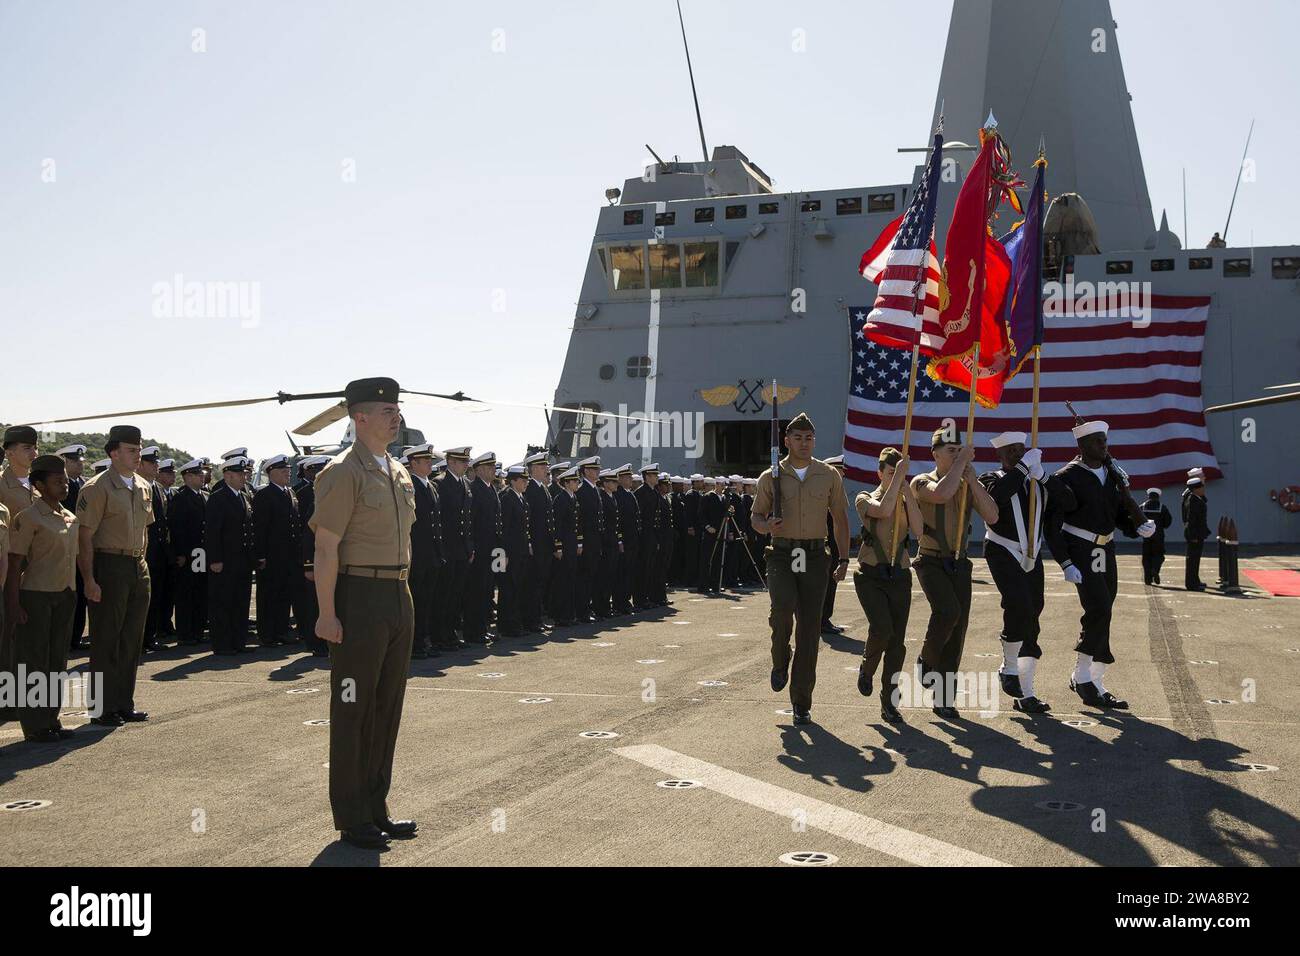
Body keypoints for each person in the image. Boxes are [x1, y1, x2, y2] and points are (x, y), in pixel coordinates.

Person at [309, 377, 419, 850]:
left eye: (396, 408)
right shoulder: (342, 472)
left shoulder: (397, 470)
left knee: (387, 706)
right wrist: (326, 614)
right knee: (354, 708)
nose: (396, 416)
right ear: (359, 418)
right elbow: (326, 547)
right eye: (386, 409)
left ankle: (377, 806)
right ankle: (352, 816)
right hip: (358, 596)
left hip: (397, 594)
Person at [1046, 420, 1156, 710]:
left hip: (1106, 547)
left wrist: (1137, 527)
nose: (1103, 446)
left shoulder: (1110, 473)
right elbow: (1052, 524)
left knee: (1106, 607)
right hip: (1081, 548)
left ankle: (1093, 678)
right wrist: (1066, 562)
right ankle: (1083, 677)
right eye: (1096, 441)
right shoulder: (1066, 477)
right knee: (1099, 608)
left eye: (1104, 440)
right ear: (1081, 446)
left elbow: (1117, 513)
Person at [750, 412, 849, 726]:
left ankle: (801, 702)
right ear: (786, 441)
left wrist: (844, 558)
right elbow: (755, 518)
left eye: (809, 438)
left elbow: (841, 520)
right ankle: (780, 658)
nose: (804, 443)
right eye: (797, 437)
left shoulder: (829, 475)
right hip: (782, 553)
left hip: (815, 555)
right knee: (782, 608)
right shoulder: (771, 477)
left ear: (814, 441)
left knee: (809, 630)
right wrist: (767, 525)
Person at [910, 428, 999, 719]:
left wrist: (972, 480)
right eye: (951, 450)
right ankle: (927, 658)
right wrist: (962, 465)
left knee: (957, 630)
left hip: (960, 563)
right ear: (935, 454)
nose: (957, 454)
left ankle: (944, 697)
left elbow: (992, 515)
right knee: (948, 612)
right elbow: (940, 494)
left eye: (959, 450)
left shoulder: (964, 483)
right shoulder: (922, 481)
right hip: (931, 560)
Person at [979, 431, 1066, 714]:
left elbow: (1068, 502)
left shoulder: (1033, 478)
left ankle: (1026, 693)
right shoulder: (990, 478)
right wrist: (1022, 468)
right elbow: (999, 500)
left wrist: (1045, 478)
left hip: (1033, 552)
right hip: (1002, 549)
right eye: (1012, 450)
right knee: (1018, 605)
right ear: (999, 455)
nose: (1018, 453)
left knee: (1033, 615)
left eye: (1021, 449)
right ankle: (1009, 667)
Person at [75, 424, 154, 726]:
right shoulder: (97, 487)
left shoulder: (142, 485)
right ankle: (101, 707)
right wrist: (90, 579)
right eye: (132, 450)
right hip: (108, 564)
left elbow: (145, 530)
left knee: (132, 639)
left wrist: (142, 565)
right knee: (106, 638)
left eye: (139, 449)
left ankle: (123, 702)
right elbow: (85, 537)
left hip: (137, 566)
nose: (138, 455)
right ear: (113, 452)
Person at [3, 455, 79, 742]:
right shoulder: (28, 518)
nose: (64, 485)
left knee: (56, 661)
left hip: (64, 596)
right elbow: (14, 565)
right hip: (35, 596)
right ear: (38, 485)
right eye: (57, 481)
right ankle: (34, 725)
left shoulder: (69, 516)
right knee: (33, 662)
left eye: (66, 480)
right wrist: (13, 605)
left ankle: (51, 718)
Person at [852, 447, 921, 722]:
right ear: (880, 473)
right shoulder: (864, 497)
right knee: (881, 629)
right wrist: (896, 485)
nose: (895, 478)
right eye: (890, 473)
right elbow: (882, 510)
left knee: (897, 643)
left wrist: (907, 494)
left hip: (899, 575)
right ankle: (867, 668)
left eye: (898, 473)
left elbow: (918, 530)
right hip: (870, 575)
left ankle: (889, 700)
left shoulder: (905, 498)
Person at [205, 457, 255, 656]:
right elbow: (212, 532)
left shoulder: (243, 496)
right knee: (223, 602)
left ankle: (238, 641)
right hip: (225, 560)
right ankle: (223, 643)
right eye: (240, 474)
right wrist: (215, 559)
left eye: (245, 473)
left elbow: (248, 529)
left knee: (240, 602)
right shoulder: (218, 498)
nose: (245, 477)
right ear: (227, 475)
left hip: (241, 560)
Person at [253, 454, 302, 646]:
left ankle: (281, 630)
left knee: (284, 594)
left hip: (288, 555)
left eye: (288, 471)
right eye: (283, 471)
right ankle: (267, 633)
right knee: (269, 595)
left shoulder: (290, 493)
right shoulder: (264, 496)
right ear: (271, 473)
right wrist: (261, 555)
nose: (287, 474)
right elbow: (260, 528)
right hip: (272, 556)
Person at [404, 444, 445, 659]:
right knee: (416, 601)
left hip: (432, 554)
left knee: (427, 601)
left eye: (430, 459)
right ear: (413, 464)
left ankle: (424, 640)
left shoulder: (430, 486)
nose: (430, 463)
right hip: (418, 555)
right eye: (425, 460)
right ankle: (414, 644)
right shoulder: (410, 487)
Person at [293, 455, 331, 655]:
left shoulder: (328, 504)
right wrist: (308, 565)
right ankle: (315, 643)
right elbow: (308, 538)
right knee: (315, 605)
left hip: (329, 562)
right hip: (318, 562)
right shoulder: (317, 506)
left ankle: (323, 642)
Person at [169, 459, 209, 645]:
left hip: (201, 553)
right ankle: (186, 633)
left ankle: (197, 630)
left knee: (200, 591)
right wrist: (180, 554)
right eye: (198, 474)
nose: (203, 477)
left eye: (202, 474)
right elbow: (177, 529)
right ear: (187, 477)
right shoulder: (181, 498)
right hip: (188, 553)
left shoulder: (204, 495)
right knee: (186, 593)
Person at [436, 447, 473, 651]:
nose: (466, 465)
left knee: (456, 594)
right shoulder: (440, 484)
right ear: (451, 463)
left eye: (466, 461)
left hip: (462, 550)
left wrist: (470, 547)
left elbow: (467, 520)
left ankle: (450, 634)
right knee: (445, 594)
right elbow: (440, 521)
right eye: (462, 461)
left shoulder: (466, 484)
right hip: (448, 549)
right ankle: (441, 636)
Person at [465, 451, 501, 644]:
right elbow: (470, 522)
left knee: (487, 590)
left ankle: (481, 628)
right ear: (478, 470)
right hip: (479, 549)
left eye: (493, 466)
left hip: (491, 549)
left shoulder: (490, 489)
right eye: (489, 467)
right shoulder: (474, 489)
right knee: (476, 591)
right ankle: (473, 631)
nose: (492, 470)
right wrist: (472, 547)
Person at [137, 447, 171, 652]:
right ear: (141, 465)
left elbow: (163, 523)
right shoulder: (137, 485)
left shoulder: (156, 487)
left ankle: (149, 637)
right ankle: (138, 641)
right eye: (152, 463)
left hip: (158, 552)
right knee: (140, 601)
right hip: (142, 550)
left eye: (156, 463)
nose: (156, 466)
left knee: (155, 596)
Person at [57, 444, 89, 649]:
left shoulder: (85, 484)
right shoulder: (60, 486)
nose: (80, 463)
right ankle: (66, 639)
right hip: (67, 548)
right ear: (65, 463)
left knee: (81, 596)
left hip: (84, 547)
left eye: (81, 460)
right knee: (68, 595)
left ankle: (76, 638)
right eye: (75, 460)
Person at [522, 452, 556, 634]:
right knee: (533, 585)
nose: (546, 470)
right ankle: (531, 620)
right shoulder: (531, 490)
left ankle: (536, 618)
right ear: (533, 469)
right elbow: (529, 520)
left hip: (544, 545)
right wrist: (530, 544)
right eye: (543, 467)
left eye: (546, 467)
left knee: (539, 585)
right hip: (536, 545)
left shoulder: (542, 488)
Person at [497, 465, 532, 638]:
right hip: (509, 553)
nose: (526, 483)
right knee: (508, 588)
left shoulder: (521, 498)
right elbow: (504, 529)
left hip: (521, 551)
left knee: (518, 588)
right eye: (523, 480)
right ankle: (507, 625)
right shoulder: (507, 498)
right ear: (512, 481)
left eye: (526, 480)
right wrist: (505, 554)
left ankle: (515, 622)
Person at [574, 456, 603, 622]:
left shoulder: (594, 490)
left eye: (598, 469)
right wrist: (580, 542)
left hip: (594, 541)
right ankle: (582, 611)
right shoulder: (582, 490)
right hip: (586, 542)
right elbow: (580, 519)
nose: (598, 472)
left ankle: (587, 608)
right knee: (584, 578)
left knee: (591, 576)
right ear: (586, 471)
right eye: (594, 469)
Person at [551, 467, 582, 626]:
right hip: (564, 545)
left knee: (570, 580)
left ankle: (569, 615)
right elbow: (557, 525)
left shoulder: (573, 498)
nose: (577, 483)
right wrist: (558, 547)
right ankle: (561, 617)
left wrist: (579, 542)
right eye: (575, 481)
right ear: (567, 482)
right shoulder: (561, 499)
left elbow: (577, 524)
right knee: (562, 582)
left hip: (571, 544)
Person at [820, 455, 847, 633]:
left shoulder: (836, 492)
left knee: (831, 583)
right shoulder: (822, 494)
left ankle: (825, 618)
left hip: (834, 545)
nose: (841, 477)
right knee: (824, 585)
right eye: (838, 472)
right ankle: (821, 620)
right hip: (825, 545)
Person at [593, 469, 621, 618]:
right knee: (603, 577)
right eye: (613, 481)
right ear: (605, 484)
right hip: (605, 542)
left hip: (613, 541)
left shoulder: (612, 497)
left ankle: (605, 605)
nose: (616, 484)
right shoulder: (602, 497)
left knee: (610, 575)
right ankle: (600, 607)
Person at [613, 464, 640, 612]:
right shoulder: (618, 494)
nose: (631, 479)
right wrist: (620, 540)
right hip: (624, 540)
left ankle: (625, 601)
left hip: (632, 540)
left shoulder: (629, 494)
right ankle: (619, 602)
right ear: (621, 479)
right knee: (622, 573)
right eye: (628, 477)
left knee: (629, 572)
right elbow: (619, 521)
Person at [633, 464, 661, 607]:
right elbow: (640, 518)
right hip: (644, 537)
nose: (657, 478)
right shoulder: (641, 493)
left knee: (650, 568)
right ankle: (640, 599)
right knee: (642, 569)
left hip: (652, 536)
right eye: (654, 475)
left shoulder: (654, 492)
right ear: (647, 477)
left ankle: (647, 597)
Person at [1, 425, 38, 518]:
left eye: (36, 448)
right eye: (27, 448)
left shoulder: (40, 482)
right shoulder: (2, 484)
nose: (35, 454)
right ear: (9, 453)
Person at [1182, 470, 1210, 591]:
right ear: (1196, 489)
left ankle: (1194, 581)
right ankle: (1192, 584)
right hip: (1194, 534)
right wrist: (1193, 535)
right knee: (1192, 560)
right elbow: (1191, 519)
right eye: (1201, 487)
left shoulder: (1196, 498)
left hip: (1197, 533)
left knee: (1195, 559)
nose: (1203, 489)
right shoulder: (1193, 500)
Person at [1140, 487, 1173, 585]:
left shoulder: (1142, 507)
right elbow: (1168, 522)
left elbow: (1135, 517)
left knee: (1146, 556)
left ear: (1148, 496)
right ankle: (1155, 569)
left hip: (1146, 536)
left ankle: (1147, 578)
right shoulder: (1162, 507)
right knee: (1159, 555)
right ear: (1158, 497)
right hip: (1158, 536)